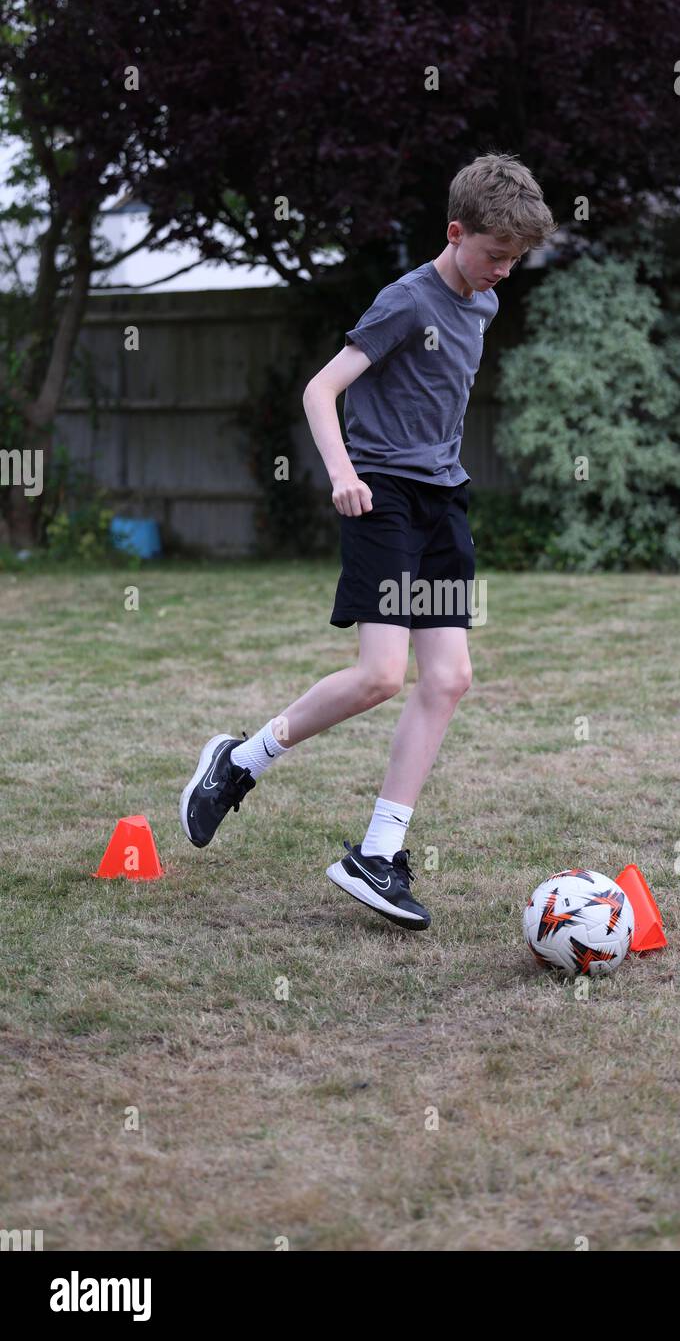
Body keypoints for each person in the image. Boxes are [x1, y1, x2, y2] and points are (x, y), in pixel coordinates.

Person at [180, 152, 557, 930]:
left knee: (449, 678)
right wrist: (343, 473)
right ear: (455, 233)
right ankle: (240, 761)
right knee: (382, 674)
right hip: (382, 500)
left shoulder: (484, 304)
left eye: (515, 260)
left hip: (442, 503)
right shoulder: (405, 301)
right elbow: (321, 389)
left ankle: (378, 854)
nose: (503, 272)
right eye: (495, 254)